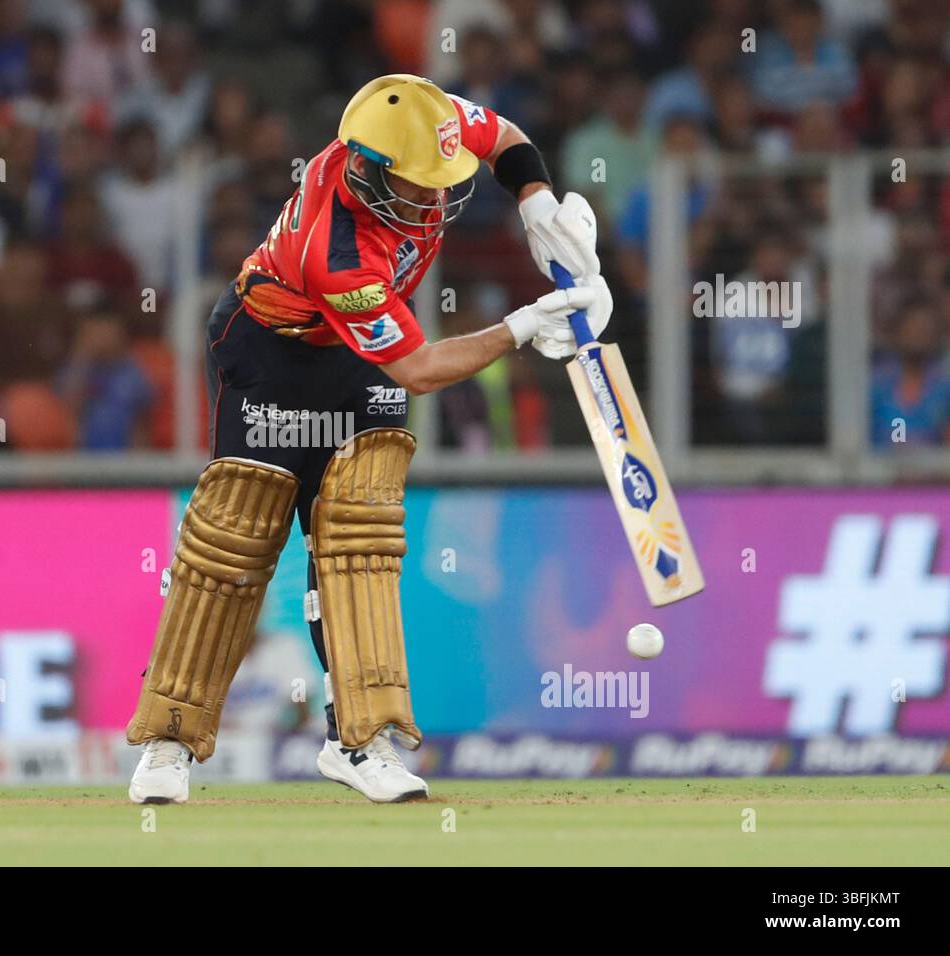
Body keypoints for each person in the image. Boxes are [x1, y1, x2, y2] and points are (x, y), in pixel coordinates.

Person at [125, 74, 611, 804]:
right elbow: (416, 368)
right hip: (270, 353)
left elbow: (504, 137)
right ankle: (168, 742)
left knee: (360, 537)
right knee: (235, 537)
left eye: (443, 180)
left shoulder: (427, 124)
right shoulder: (339, 249)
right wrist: (521, 327)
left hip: (357, 357)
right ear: (370, 173)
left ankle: (358, 744)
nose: (439, 198)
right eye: (422, 187)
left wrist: (536, 200)